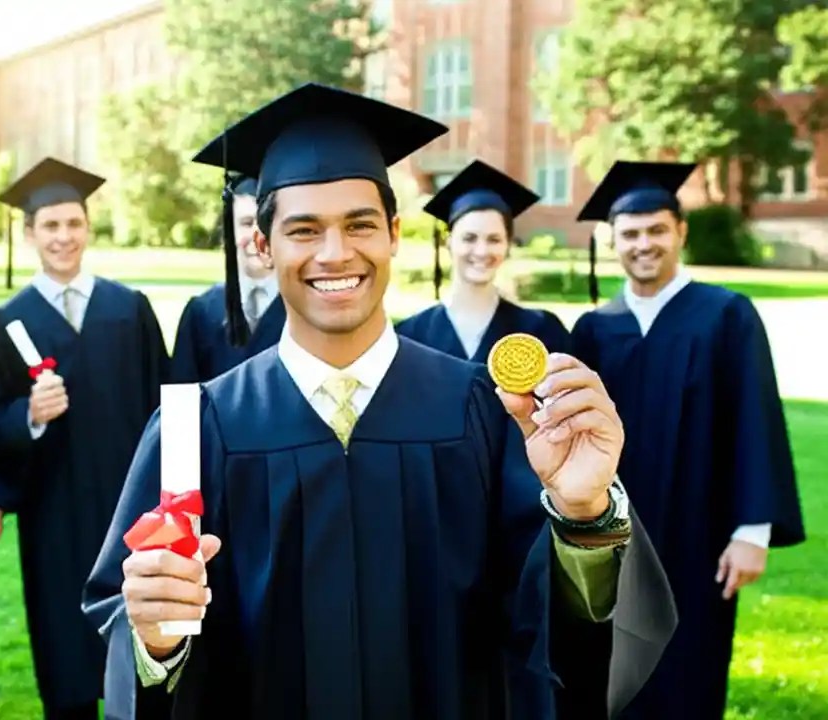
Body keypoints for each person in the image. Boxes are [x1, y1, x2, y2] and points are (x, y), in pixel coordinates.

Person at [82, 83, 677, 719]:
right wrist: (155, 637)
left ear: (394, 233)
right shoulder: (197, 427)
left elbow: (557, 642)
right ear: (261, 247)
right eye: (304, 230)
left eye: (359, 224)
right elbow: (132, 632)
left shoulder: (484, 411)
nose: (336, 253)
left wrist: (584, 514)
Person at [569, 160, 805, 720]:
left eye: (655, 230)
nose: (643, 244)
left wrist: (752, 531)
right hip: (615, 538)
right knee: (610, 672)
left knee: (692, 667)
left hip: (701, 536)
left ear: (681, 231)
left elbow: (757, 418)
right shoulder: (595, 328)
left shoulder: (726, 315)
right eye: (630, 233)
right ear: (613, 240)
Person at [0, 157, 168, 720]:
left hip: (132, 508)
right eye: (50, 226)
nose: (63, 237)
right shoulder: (6, 321)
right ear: (29, 232)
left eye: (73, 224)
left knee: (143, 652)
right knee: (65, 654)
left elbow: (166, 403)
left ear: (88, 227)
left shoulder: (129, 309)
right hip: (52, 513)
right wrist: (28, 415)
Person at [396, 159, 570, 360]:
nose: (481, 251)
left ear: (508, 245)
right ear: (449, 242)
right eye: (469, 238)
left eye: (494, 239)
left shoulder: (540, 331)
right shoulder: (410, 336)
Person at [169, 172, 285, 382]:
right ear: (228, 230)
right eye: (247, 223)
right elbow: (180, 406)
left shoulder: (306, 308)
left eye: (266, 222)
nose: (258, 236)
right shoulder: (202, 312)